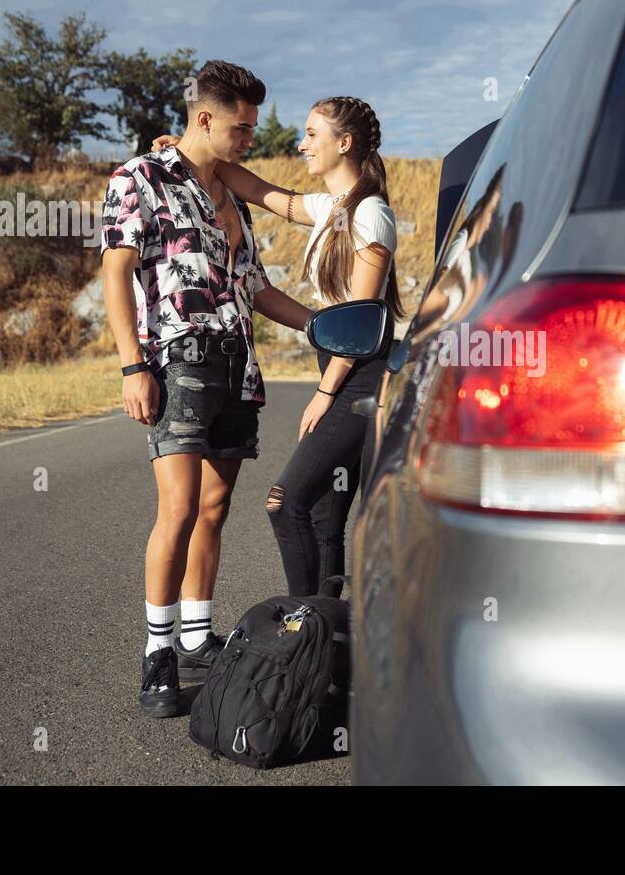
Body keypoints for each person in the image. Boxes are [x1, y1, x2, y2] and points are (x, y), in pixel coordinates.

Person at [101, 60, 312, 717]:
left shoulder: (232, 197)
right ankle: (158, 653)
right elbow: (116, 274)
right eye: (242, 128)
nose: (251, 137)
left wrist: (321, 325)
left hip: (236, 364)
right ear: (204, 118)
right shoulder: (140, 178)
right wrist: (133, 367)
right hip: (177, 360)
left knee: (215, 509)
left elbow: (257, 288)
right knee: (179, 508)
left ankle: (196, 636)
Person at [156, 95, 404, 597]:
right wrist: (187, 152)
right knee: (323, 518)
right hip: (342, 366)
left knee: (285, 501)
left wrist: (325, 393)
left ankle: (301, 622)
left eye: (312, 134)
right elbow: (258, 189)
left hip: (359, 372)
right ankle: (324, 636)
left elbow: (358, 323)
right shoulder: (331, 208)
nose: (301, 144)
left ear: (344, 142)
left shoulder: (370, 214)